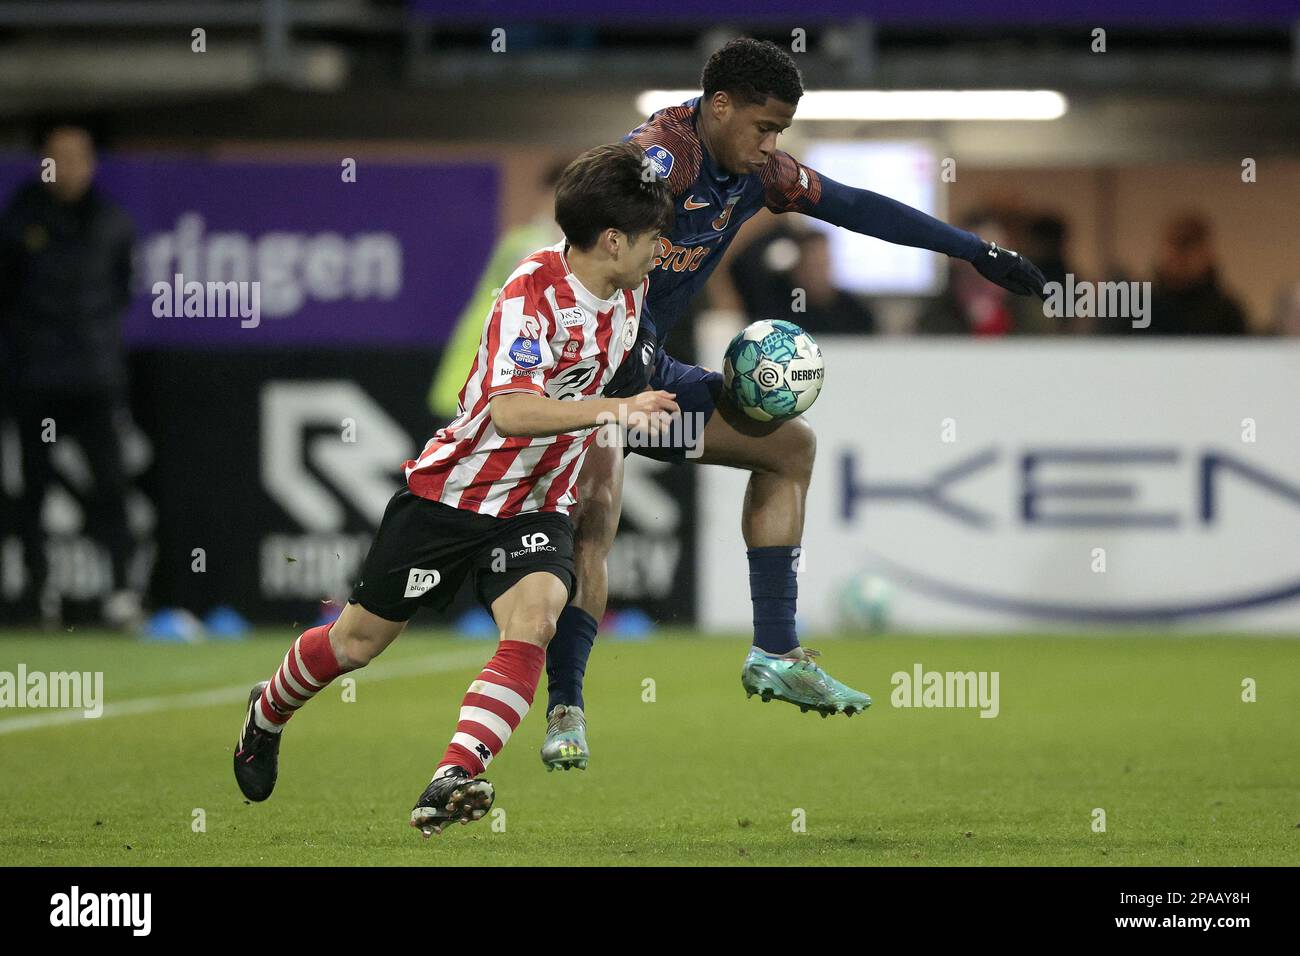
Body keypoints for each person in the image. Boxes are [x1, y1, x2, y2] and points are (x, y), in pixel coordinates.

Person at [538, 38, 1046, 770]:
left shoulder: (756, 173)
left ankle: (776, 649)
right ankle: (566, 713)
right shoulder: (658, 158)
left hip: (647, 372)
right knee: (595, 521)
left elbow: (854, 206)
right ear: (719, 106)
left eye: (780, 131)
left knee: (788, 447)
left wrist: (971, 249)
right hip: (585, 377)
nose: (772, 145)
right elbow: (583, 233)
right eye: (763, 127)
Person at [232, 142, 677, 836]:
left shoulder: (631, 286)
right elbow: (512, 411)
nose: (663, 250)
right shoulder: (531, 296)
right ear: (613, 240)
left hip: (535, 503)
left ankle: (454, 775)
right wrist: (616, 411)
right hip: (454, 495)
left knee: (533, 620)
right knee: (355, 644)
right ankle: (267, 712)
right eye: (654, 237)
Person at [0, 124, 139, 628]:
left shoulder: (112, 222)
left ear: (92, 163)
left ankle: (122, 590)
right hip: (35, 379)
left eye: (77, 157)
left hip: (94, 378)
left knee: (110, 485)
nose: (67, 167)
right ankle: (37, 593)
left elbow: (120, 292)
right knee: (31, 488)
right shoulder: (19, 222)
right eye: (57, 157)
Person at [1147, 213, 1249, 335]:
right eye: (1175, 245)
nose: (1181, 256)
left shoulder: (1227, 314)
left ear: (1207, 253)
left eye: (1189, 245)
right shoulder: (1139, 310)